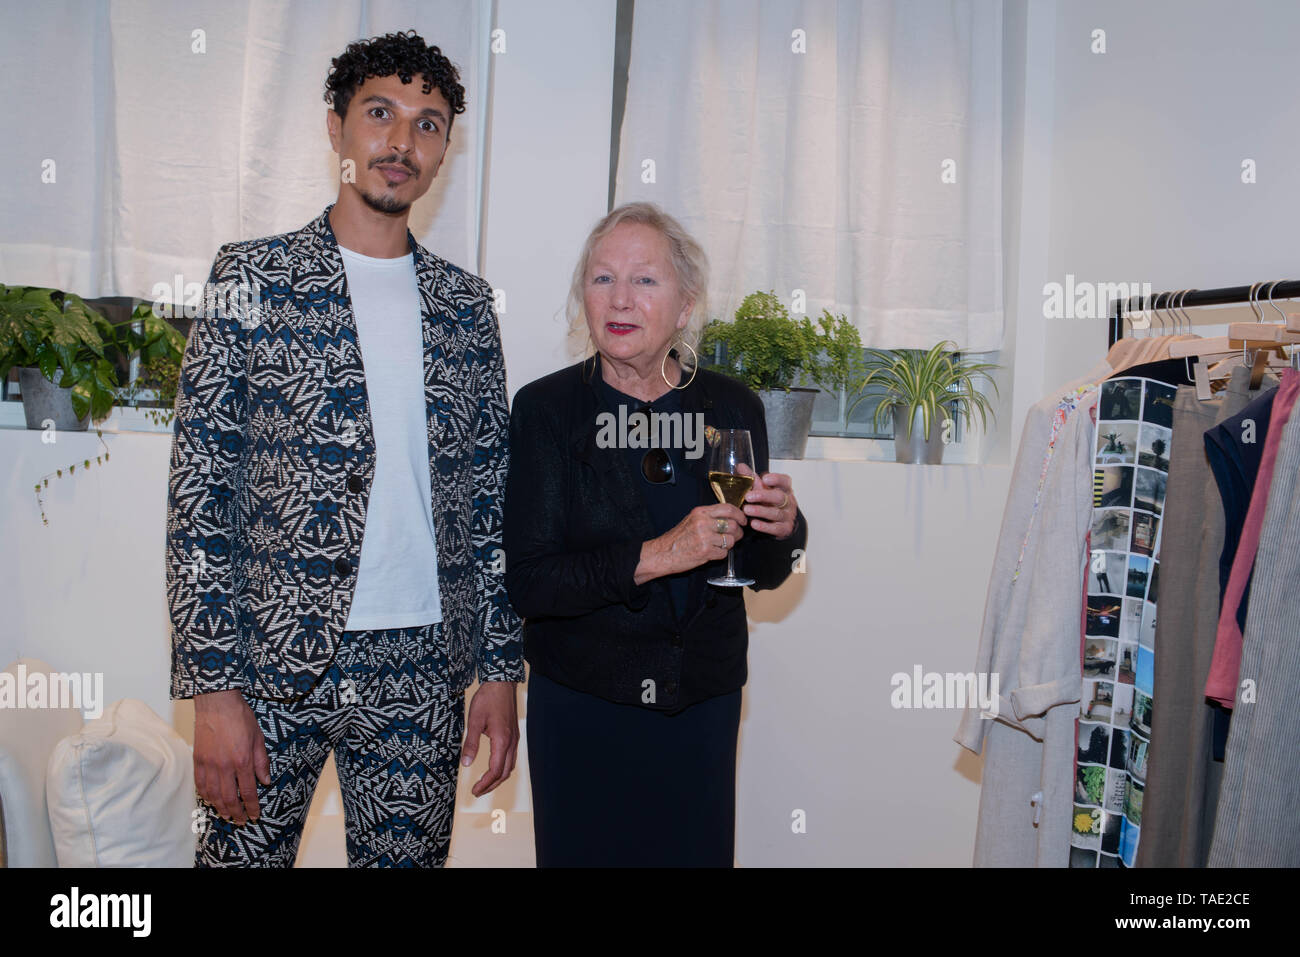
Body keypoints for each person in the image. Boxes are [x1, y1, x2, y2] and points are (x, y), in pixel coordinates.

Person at [166, 30, 523, 867]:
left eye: (428, 124)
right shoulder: (250, 277)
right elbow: (199, 495)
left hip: (423, 667)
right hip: (270, 662)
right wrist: (212, 691)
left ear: (442, 151)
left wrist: (503, 671)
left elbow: (488, 500)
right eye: (380, 114)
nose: (401, 142)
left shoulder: (467, 307)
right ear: (337, 129)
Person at [504, 202, 808, 866]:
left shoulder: (731, 405)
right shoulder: (546, 410)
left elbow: (758, 564)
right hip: (584, 707)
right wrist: (659, 554)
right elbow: (531, 582)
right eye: (601, 277)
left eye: (645, 280)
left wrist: (784, 530)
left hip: (699, 704)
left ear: (685, 303)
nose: (619, 297)